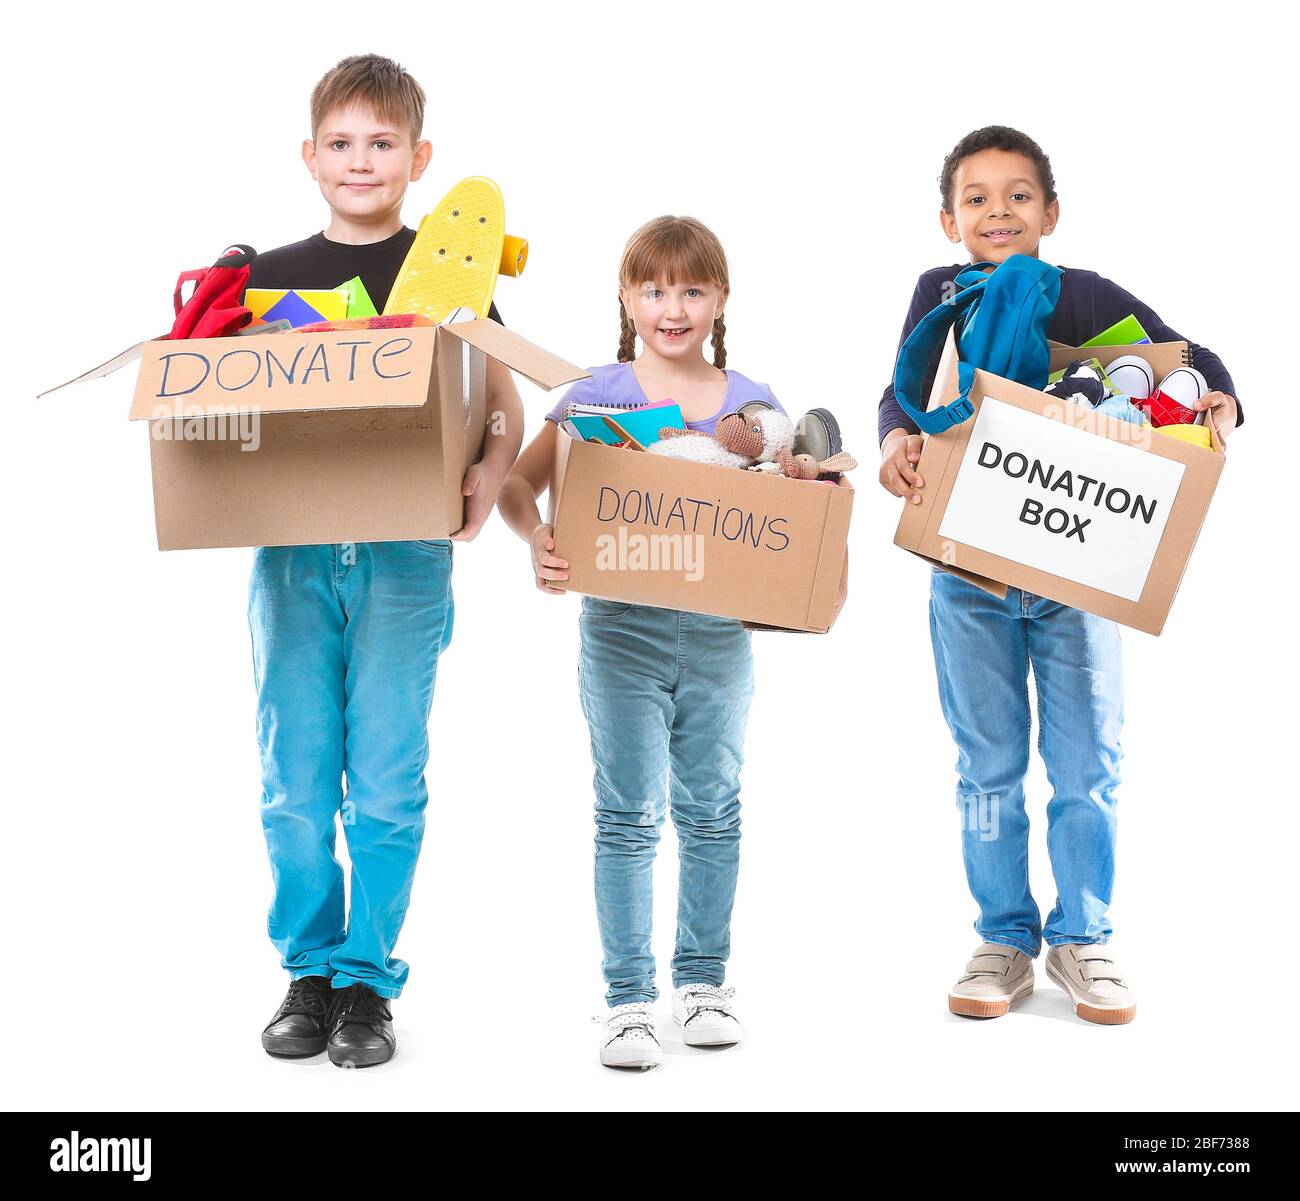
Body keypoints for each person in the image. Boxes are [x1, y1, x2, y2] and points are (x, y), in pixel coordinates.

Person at [877, 126, 1241, 1025]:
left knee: (1087, 764)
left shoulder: (1083, 296)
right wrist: (894, 440)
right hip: (968, 571)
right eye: (977, 197)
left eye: (1018, 195)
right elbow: (901, 389)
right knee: (988, 764)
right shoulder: (940, 294)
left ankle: (1086, 936)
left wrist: (1225, 402)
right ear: (946, 217)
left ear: (1051, 211)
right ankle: (1004, 937)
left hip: (1080, 573)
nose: (998, 210)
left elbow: (1192, 361)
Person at [498, 216, 836, 1068]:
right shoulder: (593, 394)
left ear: (720, 298)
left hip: (721, 633)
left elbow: (796, 489)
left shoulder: (749, 399)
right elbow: (517, 483)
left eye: (691, 289)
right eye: (653, 288)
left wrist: (796, 469)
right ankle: (627, 1001)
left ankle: (703, 983)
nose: (671, 306)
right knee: (626, 815)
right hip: (620, 628)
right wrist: (536, 535)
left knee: (713, 808)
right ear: (625, 297)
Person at [248, 54, 523, 1067]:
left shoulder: (452, 271)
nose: (360, 161)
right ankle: (309, 967)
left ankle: (367, 980)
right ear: (310, 155)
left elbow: (500, 403)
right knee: (295, 773)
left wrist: (491, 476)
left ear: (419, 158)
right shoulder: (268, 276)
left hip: (406, 555)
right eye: (340, 143)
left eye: (382, 144)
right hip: (292, 556)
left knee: (386, 776)